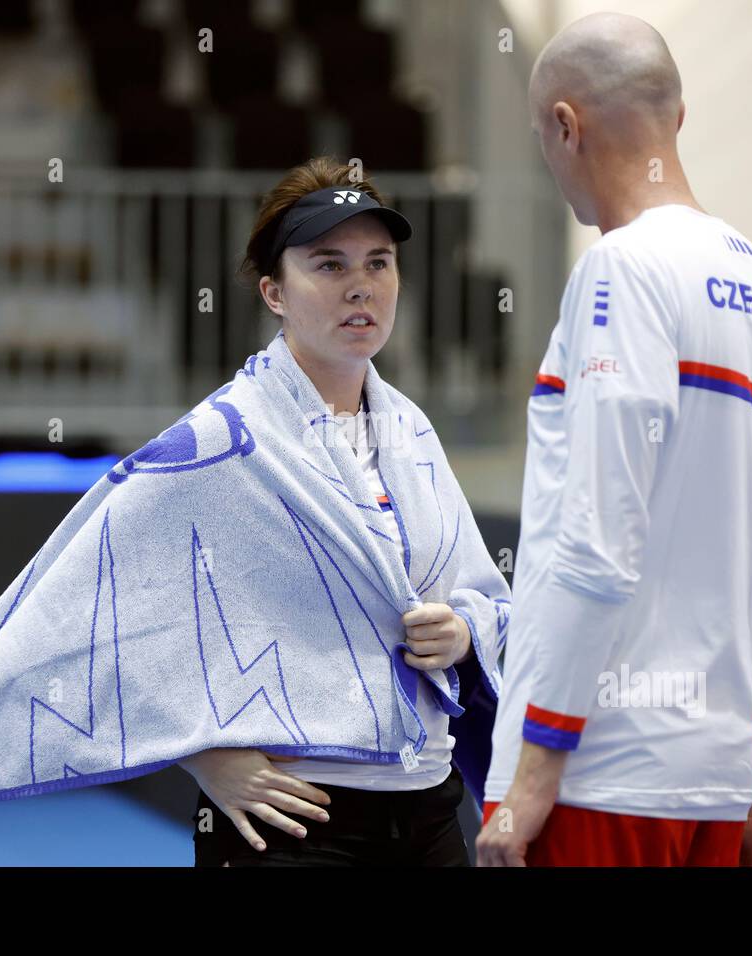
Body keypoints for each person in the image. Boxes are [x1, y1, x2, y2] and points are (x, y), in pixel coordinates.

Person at [476, 12, 752, 866]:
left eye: (541, 139)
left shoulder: (619, 271)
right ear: (678, 120)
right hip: (712, 784)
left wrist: (530, 786)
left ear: (566, 125)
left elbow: (597, 545)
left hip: (595, 776)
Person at [179, 157, 511, 866]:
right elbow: (129, 610)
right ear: (273, 291)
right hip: (293, 820)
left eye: (379, 262)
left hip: (426, 806)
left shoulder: (411, 430)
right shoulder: (221, 437)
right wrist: (205, 758)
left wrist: (460, 634)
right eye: (328, 265)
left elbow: (488, 595)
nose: (361, 284)